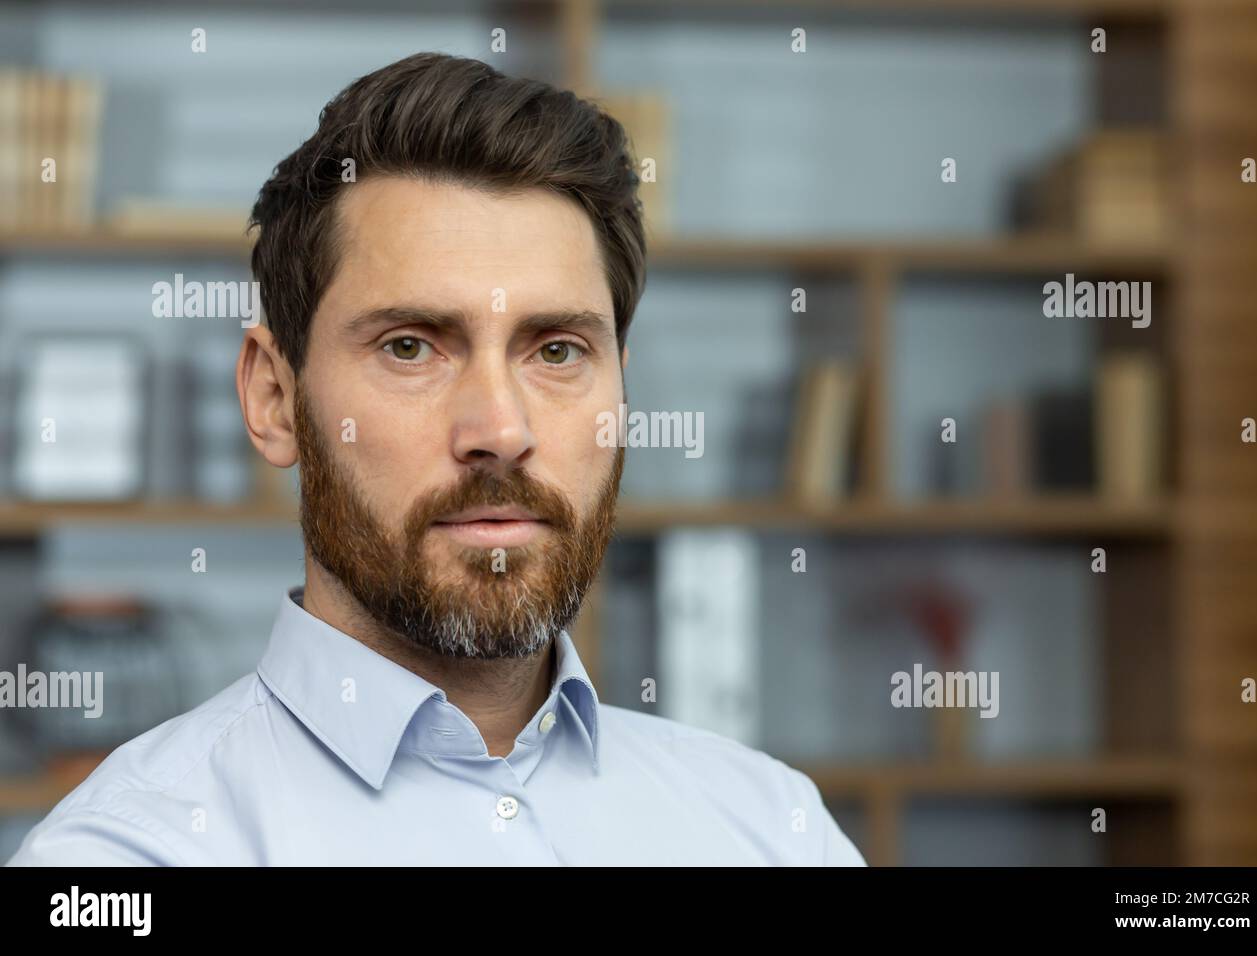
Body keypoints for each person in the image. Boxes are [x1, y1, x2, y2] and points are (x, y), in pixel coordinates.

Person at [8, 52, 865, 866]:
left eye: (557, 351)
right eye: (412, 346)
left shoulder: (776, 832)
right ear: (273, 400)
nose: (499, 428)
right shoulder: (124, 857)